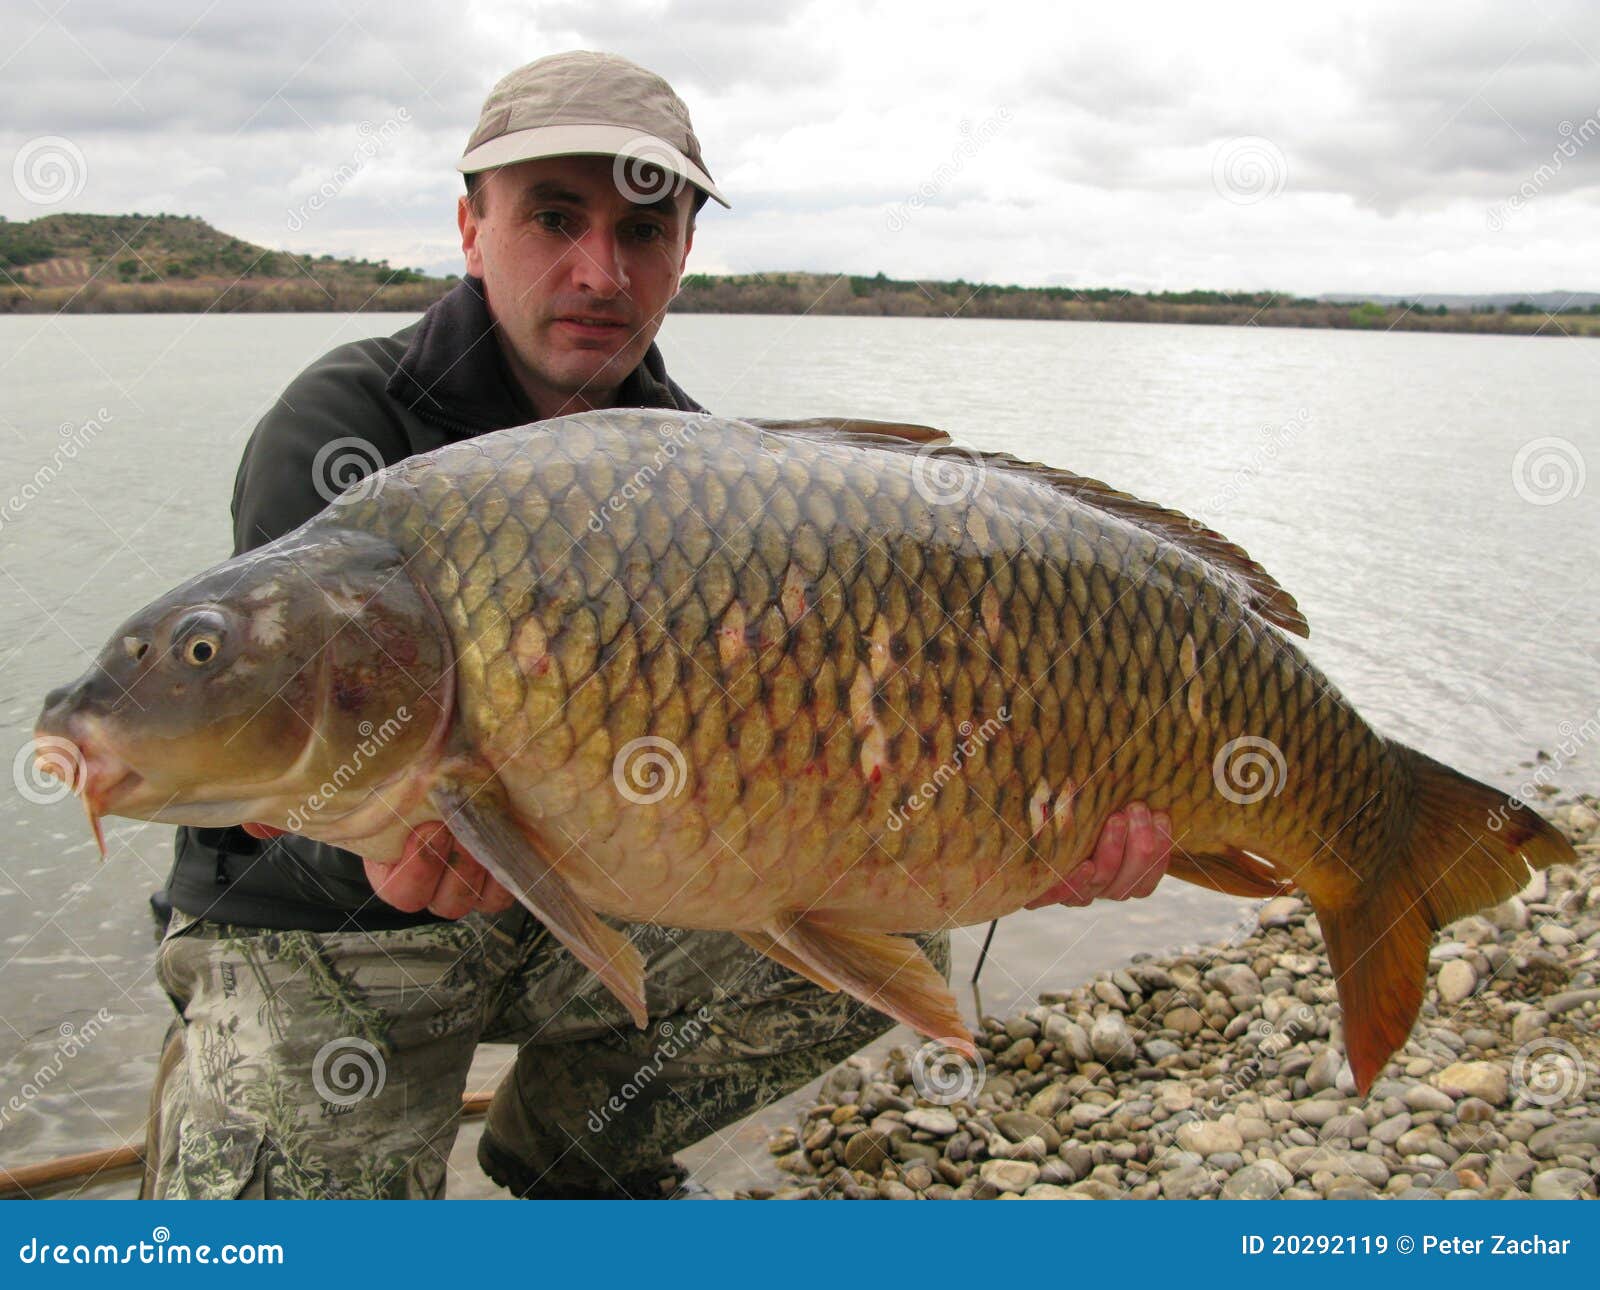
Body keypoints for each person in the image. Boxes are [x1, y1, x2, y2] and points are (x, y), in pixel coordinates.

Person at [143, 50, 1173, 1200]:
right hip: (320, 932)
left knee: (883, 941)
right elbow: (251, 774)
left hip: (577, 901)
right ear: (471, 229)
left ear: (683, 251)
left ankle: (568, 1156)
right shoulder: (341, 427)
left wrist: (1014, 842)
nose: (599, 270)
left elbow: (781, 780)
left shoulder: (698, 474)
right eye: (553, 218)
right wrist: (371, 851)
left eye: (642, 230)